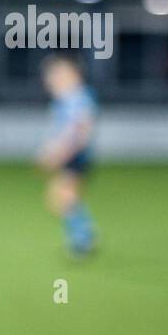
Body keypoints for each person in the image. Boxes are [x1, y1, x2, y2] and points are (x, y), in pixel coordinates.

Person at [37, 53, 98, 257]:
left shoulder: (78, 98)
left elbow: (79, 130)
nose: (52, 79)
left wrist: (59, 154)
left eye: (58, 74)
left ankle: (83, 240)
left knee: (63, 198)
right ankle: (83, 235)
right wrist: (50, 150)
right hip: (70, 154)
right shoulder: (64, 100)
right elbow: (60, 130)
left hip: (75, 156)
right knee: (60, 200)